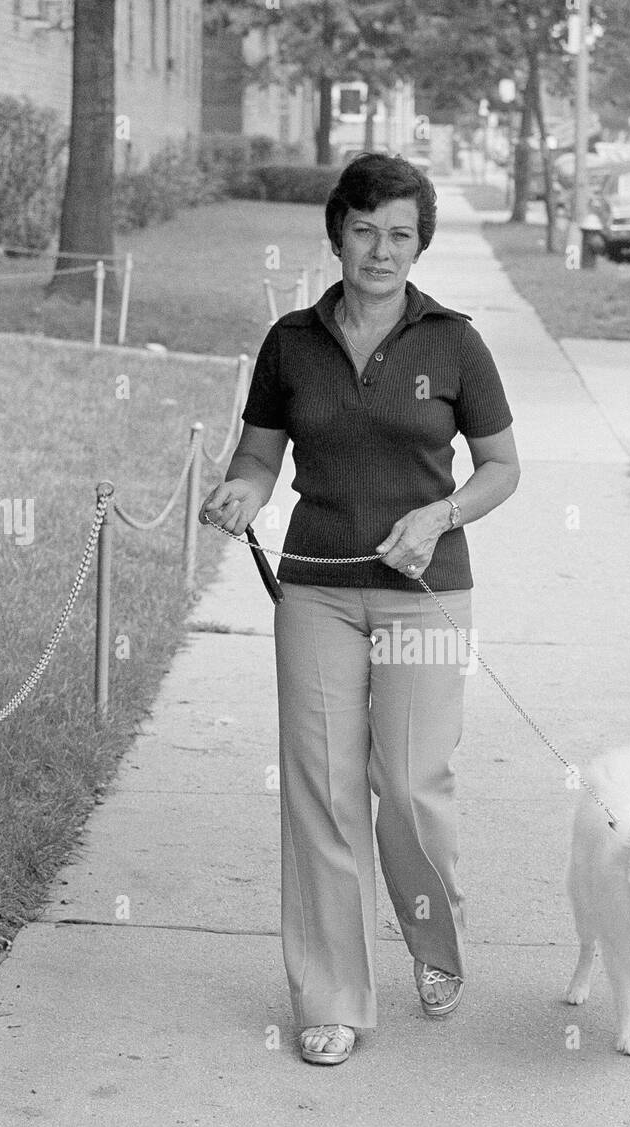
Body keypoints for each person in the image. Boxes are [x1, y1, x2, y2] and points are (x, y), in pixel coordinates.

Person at [200, 153, 519, 1065]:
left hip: (426, 592)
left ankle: (432, 944)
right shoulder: (290, 342)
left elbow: (501, 467)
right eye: (365, 229)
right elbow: (258, 457)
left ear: (419, 245)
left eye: (400, 234)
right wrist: (241, 493)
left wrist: (440, 513)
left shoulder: (453, 342)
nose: (381, 249)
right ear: (337, 232)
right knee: (322, 795)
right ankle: (331, 998)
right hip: (316, 588)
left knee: (410, 789)